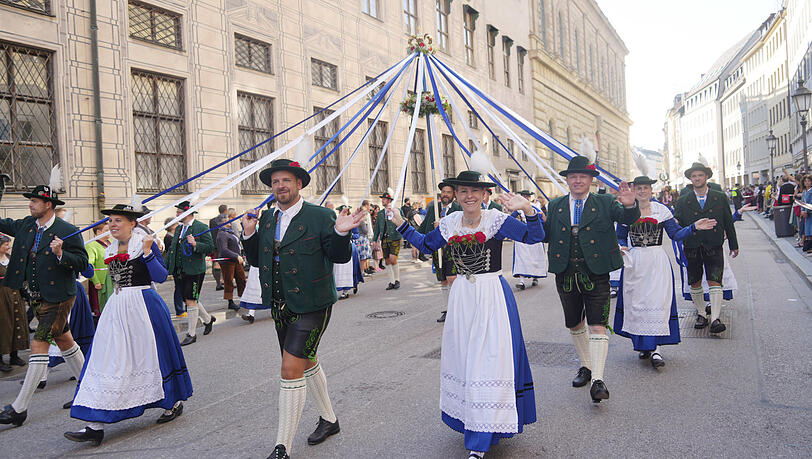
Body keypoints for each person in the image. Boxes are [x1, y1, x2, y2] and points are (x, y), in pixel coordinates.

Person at [389, 170, 542, 459]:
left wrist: (527, 209)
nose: (469, 196)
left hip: (492, 296)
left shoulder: (496, 220)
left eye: (475, 191)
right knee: (467, 362)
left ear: (485, 195)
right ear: (456, 195)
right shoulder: (448, 223)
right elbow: (425, 245)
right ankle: (480, 424)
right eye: (462, 191)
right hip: (462, 299)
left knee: (490, 364)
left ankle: (479, 442)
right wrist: (401, 224)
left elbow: (535, 236)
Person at [241, 158, 363, 459]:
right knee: (306, 362)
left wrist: (341, 233)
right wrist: (249, 234)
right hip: (280, 305)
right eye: (275, 182)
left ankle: (282, 448)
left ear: (299, 184)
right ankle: (330, 420)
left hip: (312, 304)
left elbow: (338, 256)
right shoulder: (267, 219)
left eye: (286, 181)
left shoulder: (321, 216)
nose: (280, 186)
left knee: (290, 367)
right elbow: (258, 260)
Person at [63, 202, 192, 446]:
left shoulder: (144, 242)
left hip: (144, 305)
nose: (112, 224)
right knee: (107, 359)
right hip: (117, 306)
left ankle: (172, 402)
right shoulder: (109, 247)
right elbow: (91, 272)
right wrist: (64, 255)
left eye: (118, 220)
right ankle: (95, 424)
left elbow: (161, 276)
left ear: (132, 223)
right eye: (110, 220)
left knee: (151, 356)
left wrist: (147, 252)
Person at [543, 156, 640, 403]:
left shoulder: (606, 202)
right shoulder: (555, 206)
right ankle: (586, 366)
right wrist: (528, 213)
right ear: (567, 180)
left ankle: (598, 380)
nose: (577, 180)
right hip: (565, 272)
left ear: (590, 180)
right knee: (574, 324)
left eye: (582, 177)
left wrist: (630, 206)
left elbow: (628, 219)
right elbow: (544, 235)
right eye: (573, 176)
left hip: (597, 272)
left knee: (597, 324)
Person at [0, 184, 89, 427]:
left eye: (35, 201)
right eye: (30, 201)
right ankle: (89, 392)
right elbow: (2, 223)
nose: (30, 204)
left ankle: (19, 408)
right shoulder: (27, 226)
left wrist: (61, 253)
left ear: (48, 204)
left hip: (60, 297)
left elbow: (82, 262)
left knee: (39, 343)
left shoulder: (67, 230)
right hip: (37, 296)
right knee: (65, 341)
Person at [614, 176, 716, 368]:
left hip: (656, 262)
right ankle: (643, 345)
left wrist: (694, 227)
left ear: (651, 191)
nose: (642, 191)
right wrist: (622, 247)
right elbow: (620, 236)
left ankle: (657, 350)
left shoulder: (662, 210)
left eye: (646, 188)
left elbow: (675, 234)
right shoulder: (626, 211)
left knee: (656, 302)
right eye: (639, 188)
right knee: (637, 303)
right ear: (634, 190)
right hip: (635, 262)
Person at [673, 162, 738, 334]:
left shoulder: (719, 196)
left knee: (715, 280)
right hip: (692, 245)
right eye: (694, 176)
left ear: (706, 177)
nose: (697, 178)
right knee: (694, 281)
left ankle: (715, 318)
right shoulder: (683, 200)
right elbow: (676, 221)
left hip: (713, 244)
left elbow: (728, 222)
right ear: (690, 179)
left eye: (700, 175)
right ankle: (702, 313)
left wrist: (733, 244)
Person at [164, 201, 216, 346]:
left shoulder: (201, 227)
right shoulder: (179, 228)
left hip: (194, 270)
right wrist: (166, 266)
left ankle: (191, 333)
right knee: (189, 298)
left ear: (188, 213)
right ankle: (208, 319)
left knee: (191, 300)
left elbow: (211, 247)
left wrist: (195, 244)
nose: (176, 215)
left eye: (179, 212)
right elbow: (173, 249)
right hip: (180, 270)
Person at [418, 182, 462, 322]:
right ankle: (448, 308)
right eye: (443, 192)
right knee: (443, 280)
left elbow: (461, 227)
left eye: (448, 192)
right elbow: (425, 226)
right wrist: (418, 241)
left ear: (453, 194)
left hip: (452, 249)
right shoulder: (434, 208)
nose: (445, 195)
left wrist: (443, 223)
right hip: (438, 249)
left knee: (452, 278)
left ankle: (458, 309)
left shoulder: (458, 209)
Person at [0, 235, 28, 373]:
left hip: (16, 296)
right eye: (5, 244)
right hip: (1, 299)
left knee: (17, 324)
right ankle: (0, 360)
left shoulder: (10, 259)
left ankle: (14, 356)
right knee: (4, 327)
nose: (8, 246)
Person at [511, 190, 547, 290]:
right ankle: (521, 281)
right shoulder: (517, 209)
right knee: (521, 257)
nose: (526, 198)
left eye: (527, 196)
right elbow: (510, 219)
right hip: (522, 234)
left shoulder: (535, 208)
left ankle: (535, 277)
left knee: (535, 257)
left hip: (533, 233)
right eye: (524, 196)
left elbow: (541, 221)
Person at [372, 190, 404, 290]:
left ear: (389, 200)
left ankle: (397, 280)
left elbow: (402, 221)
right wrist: (374, 239)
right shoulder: (381, 213)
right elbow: (377, 227)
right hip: (384, 238)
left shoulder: (396, 210)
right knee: (387, 261)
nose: (383, 201)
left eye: (384, 199)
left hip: (395, 237)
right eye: (382, 199)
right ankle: (391, 281)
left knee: (393, 258)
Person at [333, 205, 364, 300]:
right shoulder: (337, 221)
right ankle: (339, 287)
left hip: (349, 246)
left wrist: (349, 235)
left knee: (350, 267)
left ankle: (348, 288)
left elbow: (357, 234)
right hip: (338, 246)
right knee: (338, 268)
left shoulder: (352, 221)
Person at [216, 220, 246, 311]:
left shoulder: (229, 232)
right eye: (226, 220)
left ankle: (244, 299)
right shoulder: (222, 234)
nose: (229, 221)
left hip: (236, 260)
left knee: (242, 279)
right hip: (228, 261)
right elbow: (224, 250)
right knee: (228, 281)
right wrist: (236, 256)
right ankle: (230, 302)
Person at [86, 223, 113, 321]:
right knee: (101, 306)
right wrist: (95, 281)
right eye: (106, 230)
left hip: (112, 279)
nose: (109, 232)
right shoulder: (91, 245)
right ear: (98, 232)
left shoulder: (111, 242)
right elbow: (89, 264)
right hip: (101, 280)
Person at [163, 217, 186, 318]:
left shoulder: (175, 236)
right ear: (172, 226)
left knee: (183, 287)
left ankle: (184, 307)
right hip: (176, 266)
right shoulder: (168, 237)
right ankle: (179, 310)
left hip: (180, 265)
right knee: (179, 288)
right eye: (176, 224)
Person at [209, 204, 229, 292]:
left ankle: (218, 283)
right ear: (226, 210)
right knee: (225, 263)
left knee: (216, 263)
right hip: (224, 243)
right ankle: (225, 282)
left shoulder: (212, 220)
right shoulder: (226, 219)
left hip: (215, 244)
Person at [355, 200, 374, 275]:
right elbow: (365, 231)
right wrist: (366, 224)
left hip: (362, 238)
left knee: (364, 257)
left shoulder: (361, 219)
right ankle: (362, 272)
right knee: (363, 257)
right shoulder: (362, 220)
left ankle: (362, 271)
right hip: (362, 239)